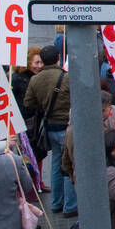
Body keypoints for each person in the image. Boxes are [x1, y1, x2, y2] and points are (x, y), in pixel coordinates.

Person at [23, 45, 75, 217]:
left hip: (49, 127)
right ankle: (70, 205)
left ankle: (56, 202)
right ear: (58, 58)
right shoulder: (67, 78)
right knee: (68, 166)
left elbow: (29, 103)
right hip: (66, 126)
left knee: (55, 163)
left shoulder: (35, 80)